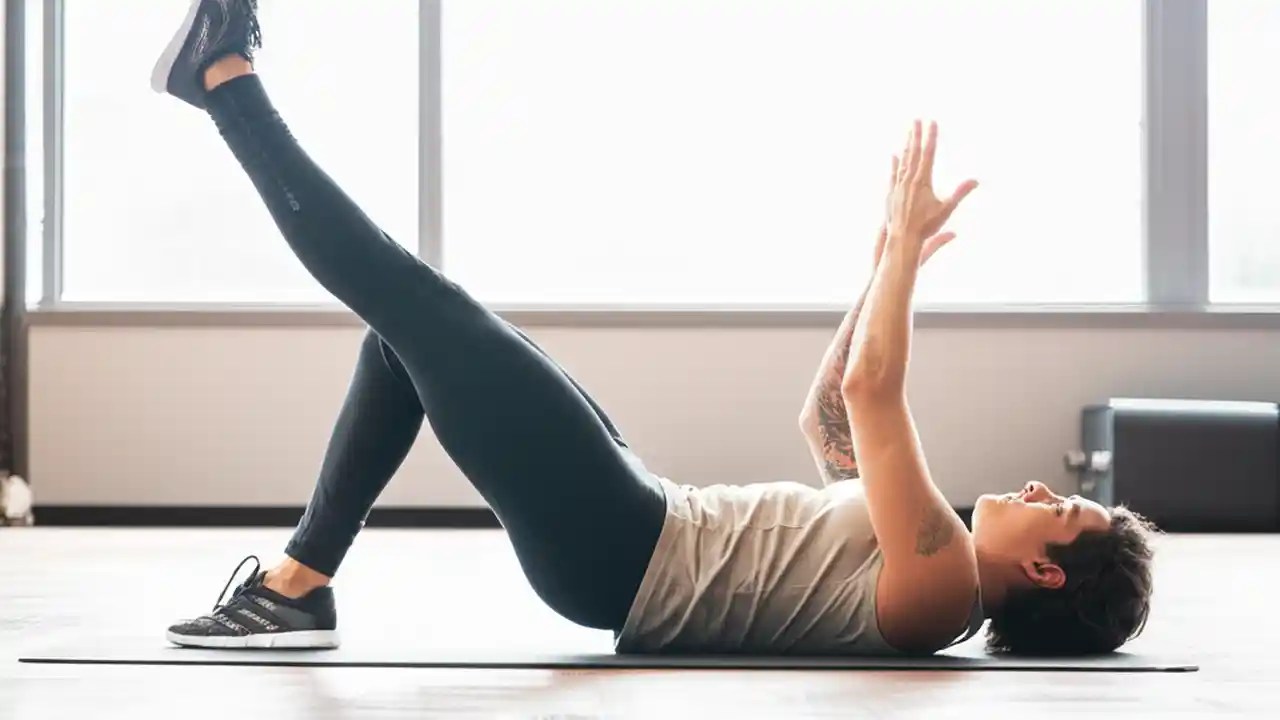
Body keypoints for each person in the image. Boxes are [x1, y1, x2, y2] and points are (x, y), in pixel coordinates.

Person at [159, 0, 1157, 656]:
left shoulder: (940, 588)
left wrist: (900, 257)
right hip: (637, 518)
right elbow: (828, 420)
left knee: (409, 298)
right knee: (406, 339)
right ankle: (297, 584)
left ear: (1039, 570)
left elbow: (871, 391)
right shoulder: (916, 539)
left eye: (1056, 508)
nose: (1036, 488)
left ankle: (224, 80)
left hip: (623, 555)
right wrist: (879, 269)